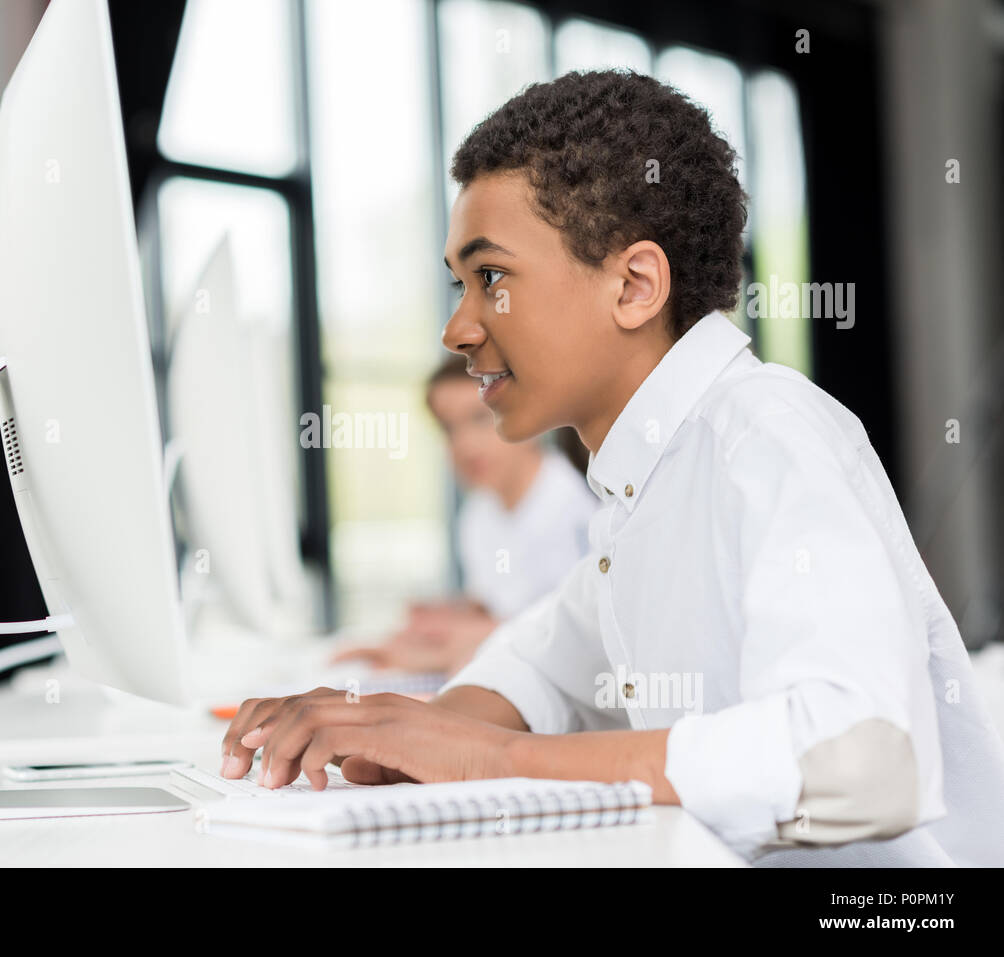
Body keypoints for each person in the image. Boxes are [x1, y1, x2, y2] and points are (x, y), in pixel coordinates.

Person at [220, 70, 1004, 865]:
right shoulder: (639, 488)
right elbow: (546, 670)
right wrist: (396, 732)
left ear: (634, 286)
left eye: (491, 278)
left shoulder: (765, 431)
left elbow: (864, 760)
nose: (458, 328)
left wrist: (488, 757)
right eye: (459, 284)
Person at [332, 354, 598, 676]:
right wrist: (444, 617)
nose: (464, 445)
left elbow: (578, 634)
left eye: (479, 419)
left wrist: (447, 647)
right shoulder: (478, 514)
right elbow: (499, 605)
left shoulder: (578, 511)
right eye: (448, 428)